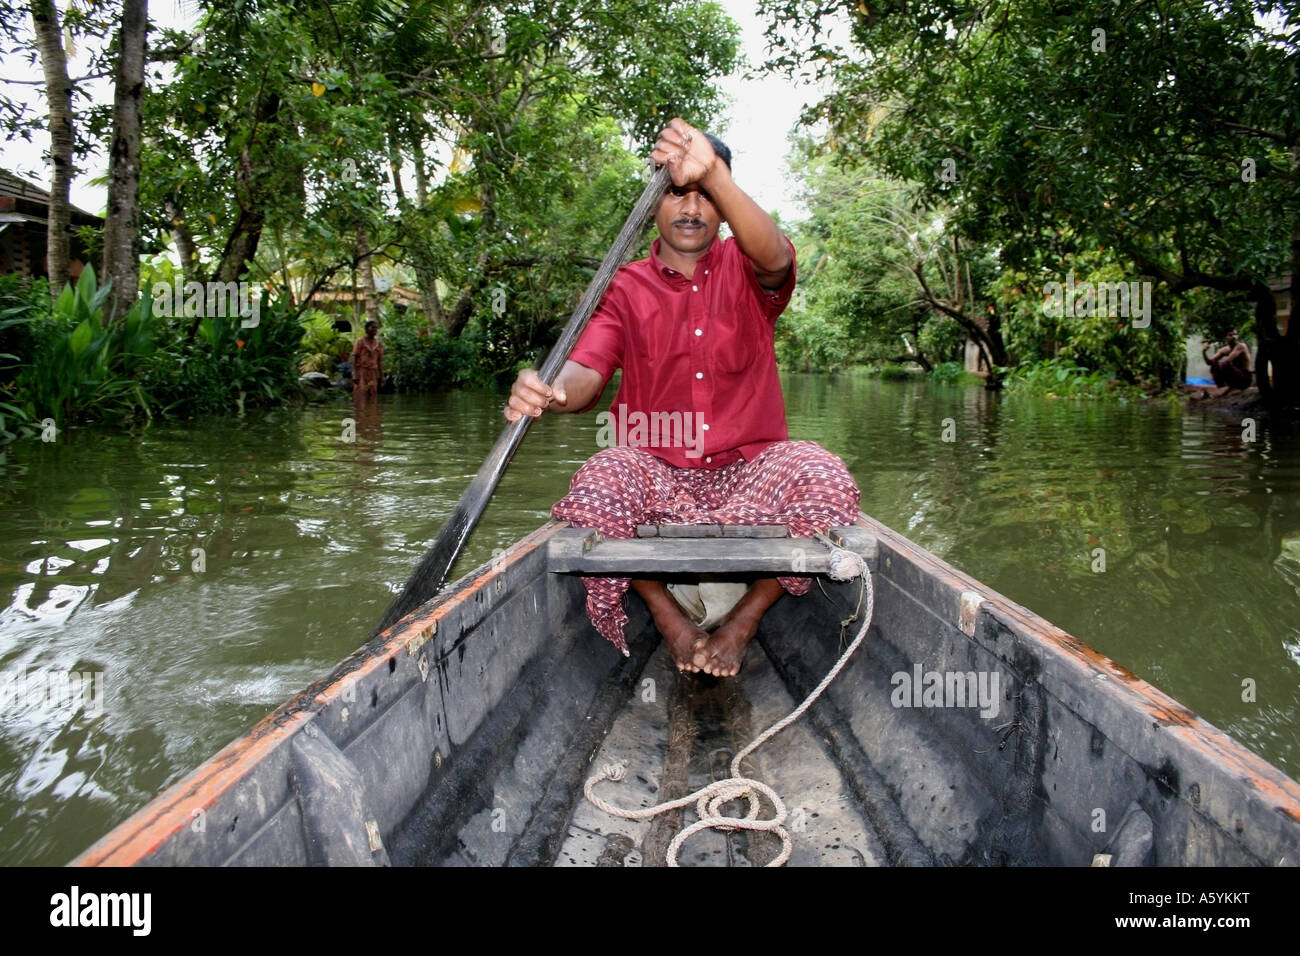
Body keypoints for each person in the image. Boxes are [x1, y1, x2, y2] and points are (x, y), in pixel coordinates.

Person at [505, 118, 860, 678]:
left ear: (722, 206)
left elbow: (777, 260)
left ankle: (745, 620)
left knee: (823, 473)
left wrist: (711, 171)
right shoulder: (624, 286)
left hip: (748, 472)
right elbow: (587, 374)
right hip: (659, 471)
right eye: (676, 193)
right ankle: (668, 617)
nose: (691, 207)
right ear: (654, 207)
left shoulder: (748, 266)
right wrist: (549, 391)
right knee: (601, 478)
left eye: (705, 195)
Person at [1202, 330, 1252, 395]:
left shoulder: (1241, 346)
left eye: (1235, 334)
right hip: (1236, 376)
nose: (1234, 337)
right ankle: (1224, 386)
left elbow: (1228, 361)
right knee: (1214, 366)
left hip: (1245, 378)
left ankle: (1233, 387)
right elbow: (1210, 363)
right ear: (1226, 338)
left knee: (1225, 365)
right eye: (1230, 335)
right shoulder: (1225, 349)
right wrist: (1204, 352)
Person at [352, 319, 384, 400]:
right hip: (362, 372)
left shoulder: (378, 343)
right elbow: (354, 357)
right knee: (361, 393)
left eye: (376, 328)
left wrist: (382, 376)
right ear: (366, 329)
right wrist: (354, 373)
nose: (375, 330)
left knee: (372, 393)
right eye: (372, 327)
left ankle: (371, 412)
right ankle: (361, 412)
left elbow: (379, 361)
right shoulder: (360, 341)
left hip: (373, 372)